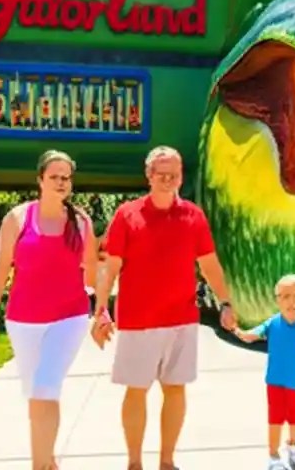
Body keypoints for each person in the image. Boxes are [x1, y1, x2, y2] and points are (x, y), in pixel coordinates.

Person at [92, 145, 238, 470]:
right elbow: (110, 267)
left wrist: (226, 302)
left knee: (176, 389)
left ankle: (167, 461)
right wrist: (101, 308)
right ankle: (134, 463)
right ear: (149, 176)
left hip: (181, 319)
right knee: (137, 390)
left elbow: (209, 264)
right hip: (138, 322)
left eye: (174, 174)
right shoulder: (127, 215)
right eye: (162, 174)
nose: (168, 180)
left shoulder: (193, 216)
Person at [0, 149, 99, 470]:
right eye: (55, 177)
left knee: (47, 384)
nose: (61, 183)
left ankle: (40, 465)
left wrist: (99, 308)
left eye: (66, 178)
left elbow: (92, 268)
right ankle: (47, 463)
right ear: (40, 180)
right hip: (23, 319)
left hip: (69, 316)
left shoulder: (81, 222)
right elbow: (1, 268)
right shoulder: (17, 219)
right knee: (35, 395)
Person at [233, 274, 295, 470]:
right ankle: (273, 456)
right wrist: (238, 331)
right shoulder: (273, 323)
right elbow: (252, 335)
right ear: (278, 300)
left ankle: (293, 448)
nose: (292, 302)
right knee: (275, 419)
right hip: (275, 380)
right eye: (286, 296)